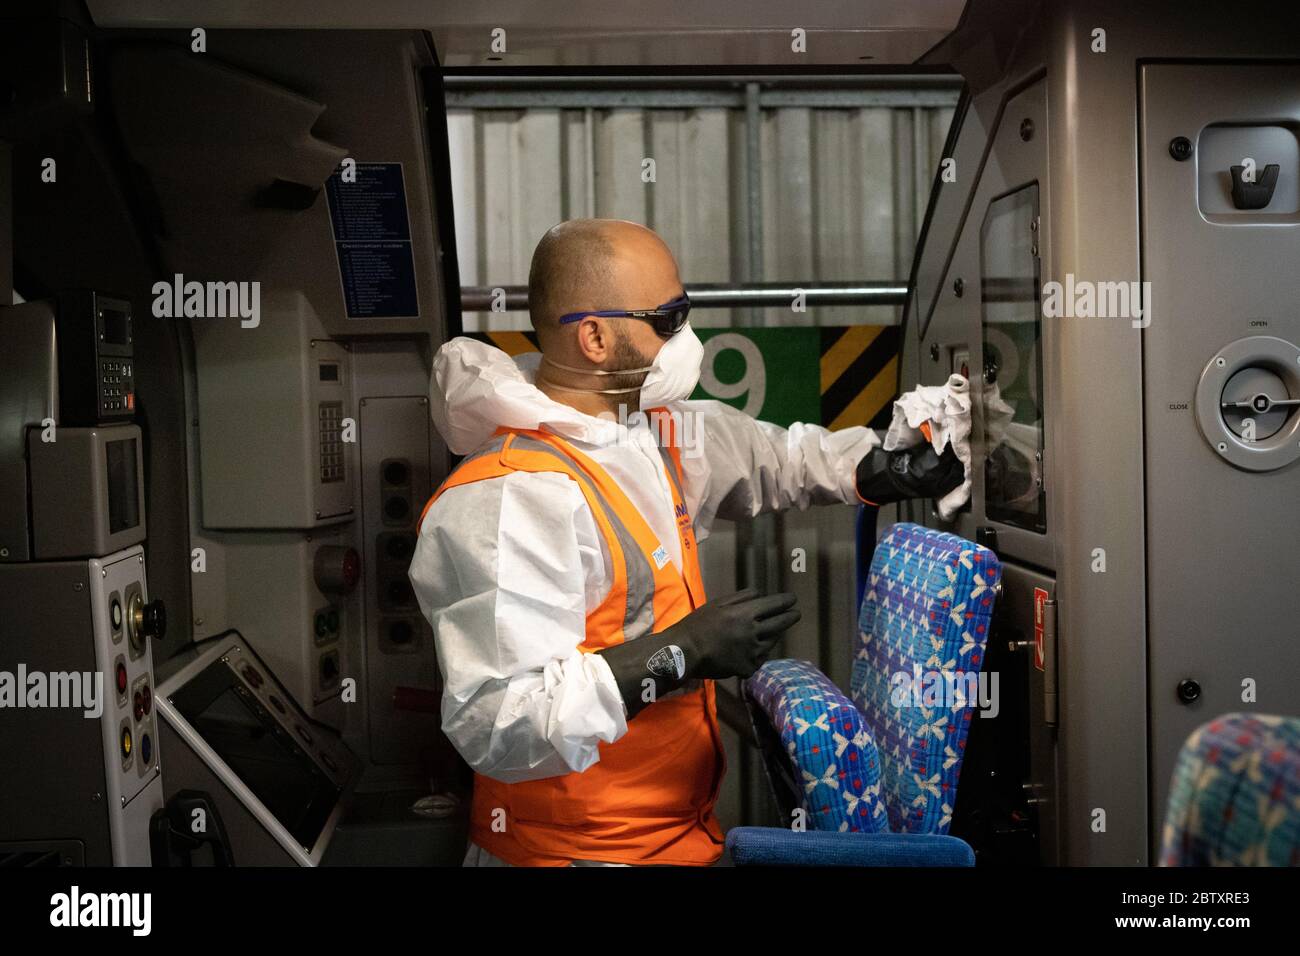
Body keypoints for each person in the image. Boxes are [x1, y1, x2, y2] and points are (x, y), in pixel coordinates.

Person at [409, 218, 964, 867]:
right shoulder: (512, 499)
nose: (687, 338)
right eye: (669, 318)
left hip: (677, 836)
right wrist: (682, 651)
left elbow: (776, 457)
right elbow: (502, 720)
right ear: (593, 336)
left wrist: (882, 468)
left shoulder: (647, 432)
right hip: (576, 855)